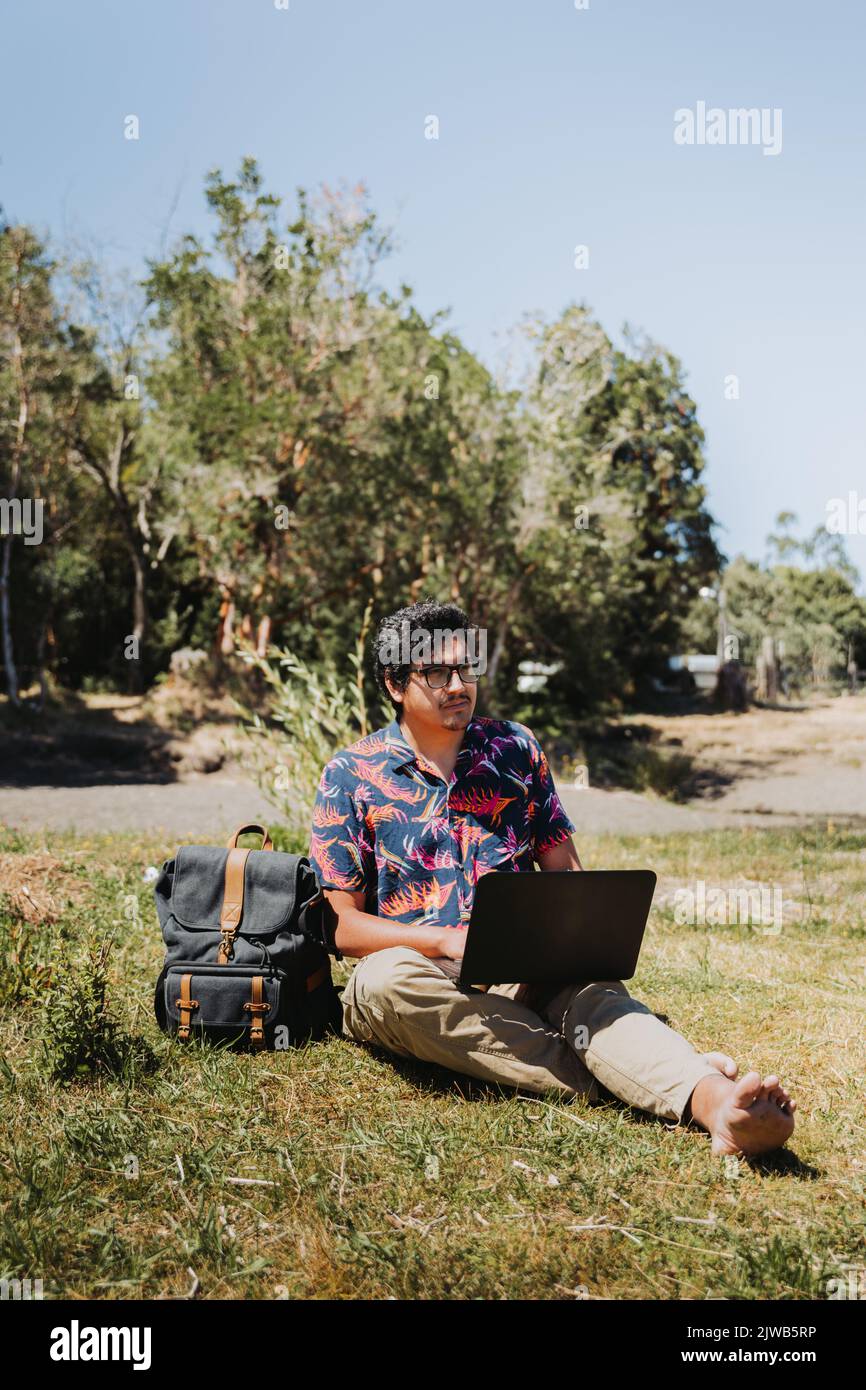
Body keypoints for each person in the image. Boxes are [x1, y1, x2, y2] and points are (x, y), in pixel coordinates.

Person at [309, 599, 796, 1156]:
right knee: (381, 985)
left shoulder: (515, 749)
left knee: (592, 996)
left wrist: (576, 936)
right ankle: (655, 1077)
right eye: (437, 672)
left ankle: (717, 1106)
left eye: (466, 668)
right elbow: (341, 927)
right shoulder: (350, 774)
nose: (458, 684)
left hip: (525, 968)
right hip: (420, 975)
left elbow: (564, 870)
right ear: (396, 685)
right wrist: (444, 940)